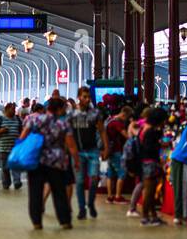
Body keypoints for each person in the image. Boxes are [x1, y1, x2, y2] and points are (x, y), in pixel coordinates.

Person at [18, 94, 79, 230]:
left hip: (36, 160)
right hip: (56, 162)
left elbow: (22, 137)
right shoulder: (62, 124)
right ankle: (64, 221)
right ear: (59, 109)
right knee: (59, 191)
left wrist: (21, 154)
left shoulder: (34, 121)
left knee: (35, 192)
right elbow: (71, 145)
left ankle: (37, 222)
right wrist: (76, 161)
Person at [71, 85, 108, 219]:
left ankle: (91, 203)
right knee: (80, 182)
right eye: (84, 97)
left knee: (93, 179)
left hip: (93, 151)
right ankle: (82, 208)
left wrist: (105, 148)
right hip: (78, 153)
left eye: (88, 97)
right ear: (79, 98)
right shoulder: (72, 114)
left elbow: (102, 131)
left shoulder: (95, 113)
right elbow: (67, 134)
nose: (87, 99)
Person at [104, 102, 132, 204]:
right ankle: (118, 197)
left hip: (109, 150)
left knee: (110, 174)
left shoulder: (109, 119)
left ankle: (110, 196)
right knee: (122, 172)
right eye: (127, 118)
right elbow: (127, 136)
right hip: (116, 150)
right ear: (124, 114)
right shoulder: (117, 123)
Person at [0, 101, 23, 190]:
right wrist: (1, 131)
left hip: (15, 148)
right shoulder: (0, 119)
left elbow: (22, 131)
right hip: (3, 148)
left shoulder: (18, 119)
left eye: (14, 109)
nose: (14, 111)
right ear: (6, 109)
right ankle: (6, 183)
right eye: (12, 109)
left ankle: (17, 181)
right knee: (5, 168)